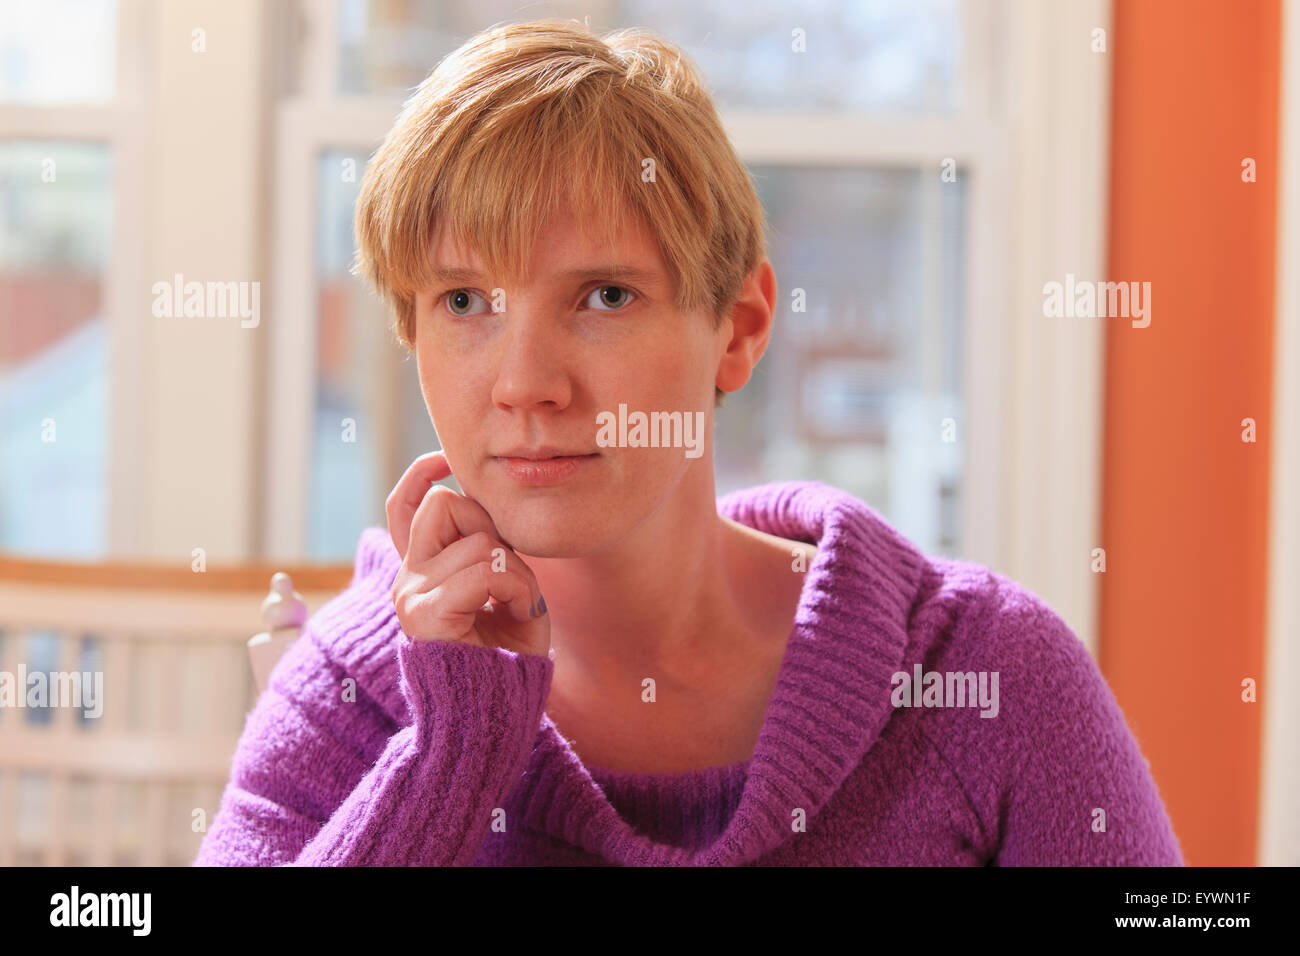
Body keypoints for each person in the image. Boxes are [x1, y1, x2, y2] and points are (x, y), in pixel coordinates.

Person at [194, 18, 1183, 866]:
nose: (524, 382)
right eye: (464, 301)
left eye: (605, 295)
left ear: (740, 326)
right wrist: (451, 750)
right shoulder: (344, 693)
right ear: (412, 333)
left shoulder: (987, 670)